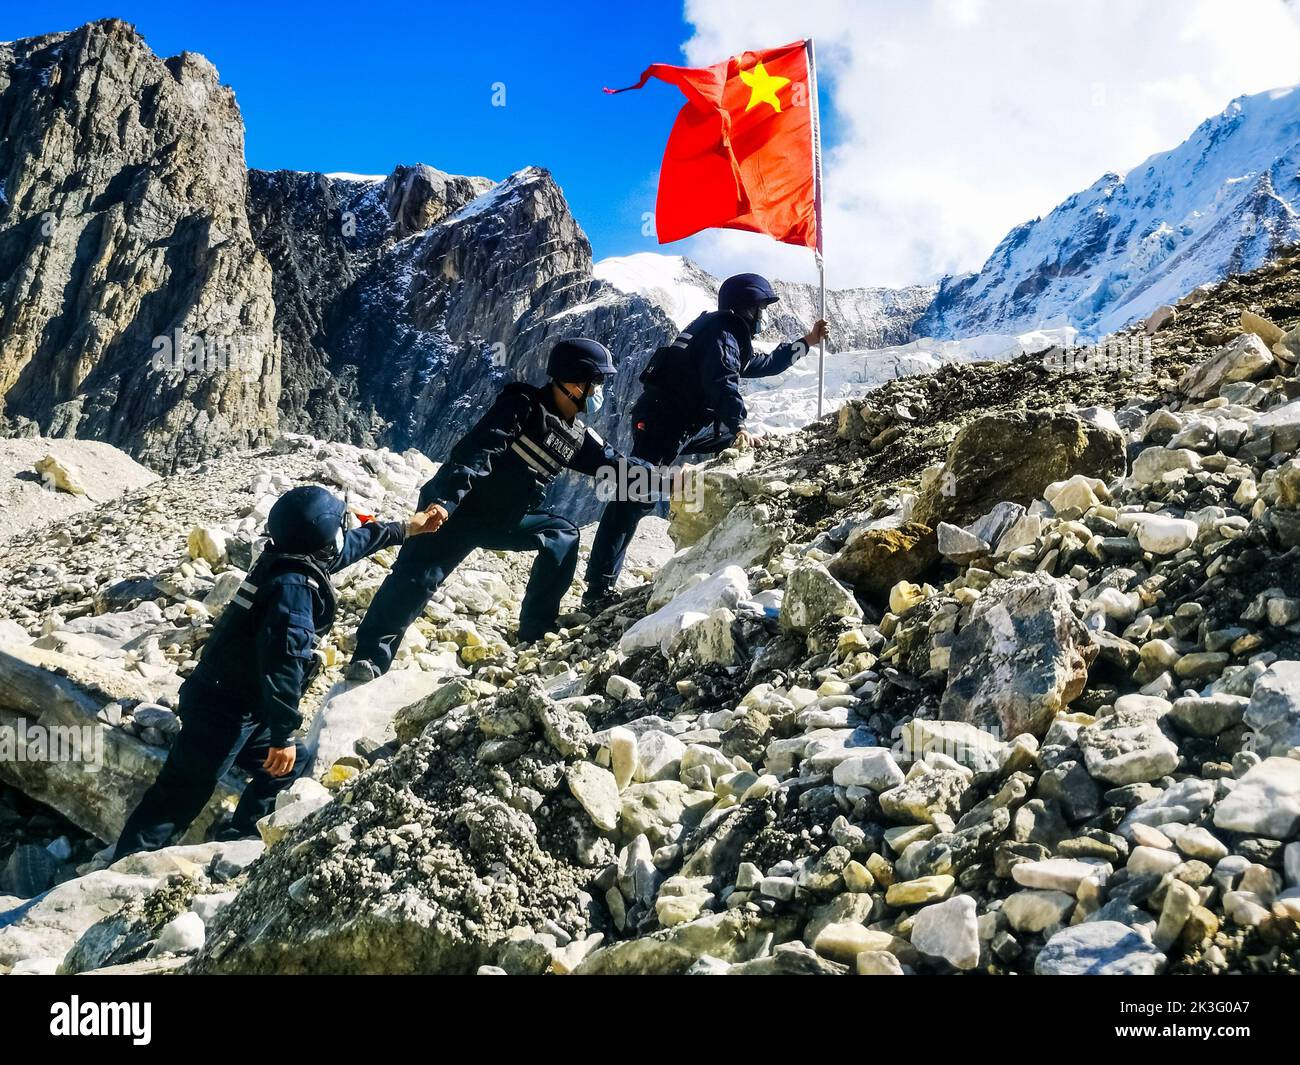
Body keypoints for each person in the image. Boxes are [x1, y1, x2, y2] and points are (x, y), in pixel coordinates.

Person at [114, 486, 437, 858]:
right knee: (182, 791)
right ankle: (126, 865)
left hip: (241, 702)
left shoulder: (288, 556)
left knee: (290, 765)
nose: (343, 535)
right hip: (223, 712)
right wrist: (282, 735)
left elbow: (350, 545)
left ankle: (239, 837)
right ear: (325, 537)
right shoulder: (293, 590)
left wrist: (406, 528)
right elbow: (284, 668)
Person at [346, 337, 645, 681]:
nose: (599, 391)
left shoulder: (575, 435)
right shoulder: (523, 405)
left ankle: (536, 633)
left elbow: (614, 464)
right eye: (596, 383)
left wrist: (665, 479)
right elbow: (477, 451)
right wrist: (442, 502)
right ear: (575, 381)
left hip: (504, 521)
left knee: (561, 535)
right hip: (458, 512)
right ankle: (368, 658)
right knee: (415, 579)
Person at [582, 272, 829, 608]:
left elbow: (760, 364)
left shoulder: (719, 330)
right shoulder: (723, 332)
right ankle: (598, 590)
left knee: (638, 489)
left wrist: (806, 342)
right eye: (761, 307)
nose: (764, 315)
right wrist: (738, 425)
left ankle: (603, 584)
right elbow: (723, 381)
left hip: (669, 422)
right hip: (665, 423)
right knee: (634, 494)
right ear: (746, 308)